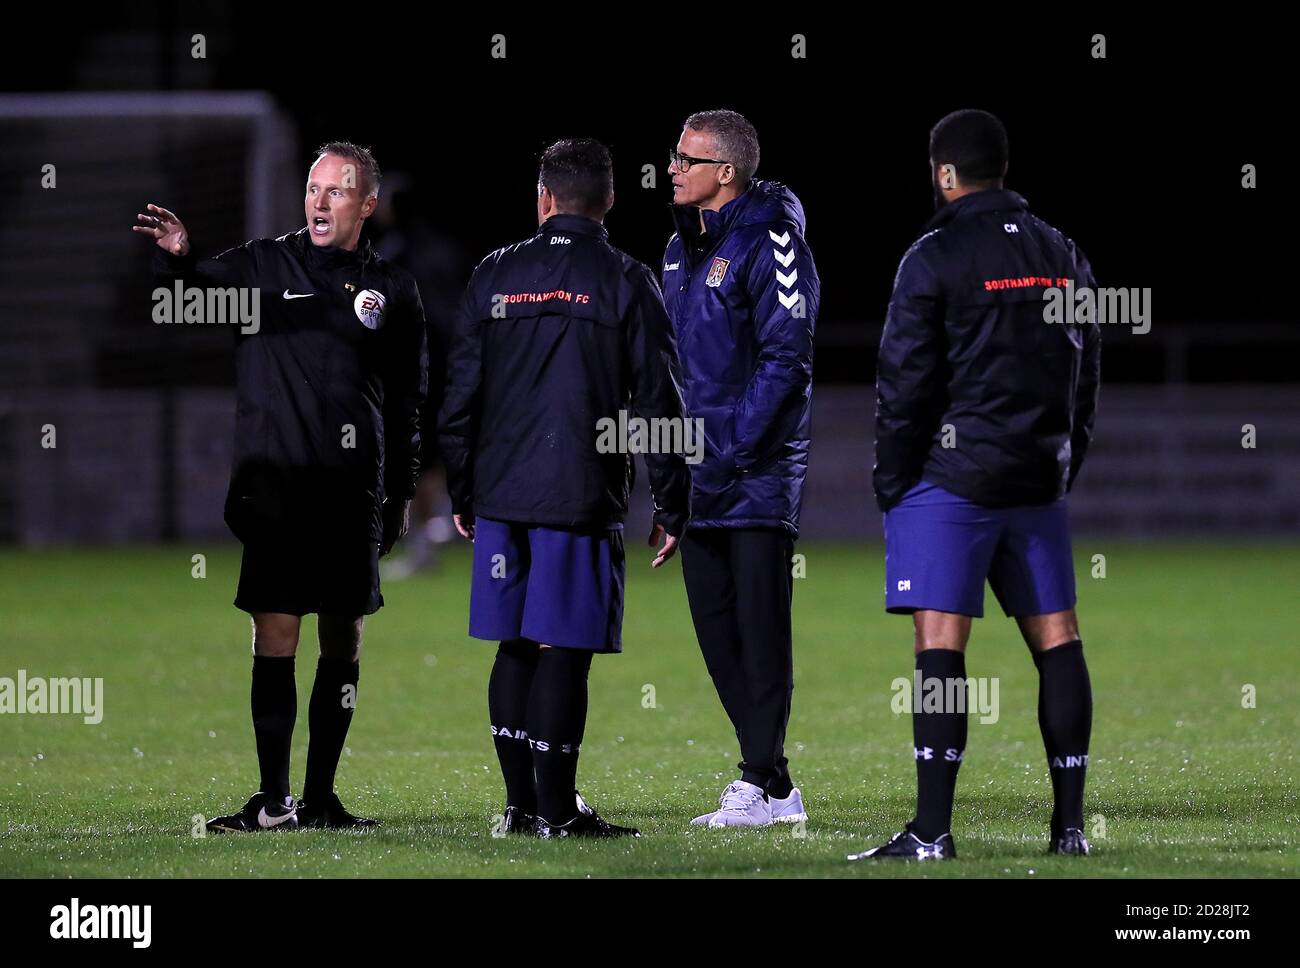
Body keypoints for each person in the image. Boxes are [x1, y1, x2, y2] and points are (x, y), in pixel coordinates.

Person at [135, 141, 428, 831]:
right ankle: (273, 799)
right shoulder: (263, 265)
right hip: (277, 492)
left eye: (337, 189)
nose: (320, 201)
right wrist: (176, 258)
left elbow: (409, 400)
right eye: (313, 188)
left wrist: (401, 492)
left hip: (352, 493)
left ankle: (322, 798)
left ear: (366, 203)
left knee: (344, 643)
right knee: (277, 637)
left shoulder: (393, 290)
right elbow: (182, 302)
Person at [851, 109, 1100, 861]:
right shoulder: (1062, 250)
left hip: (951, 479)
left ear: (945, 173)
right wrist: (1064, 459)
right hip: (1035, 477)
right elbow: (1085, 373)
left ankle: (932, 830)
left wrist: (892, 480)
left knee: (939, 645)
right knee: (1057, 638)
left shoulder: (934, 254)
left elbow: (904, 384)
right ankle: (1069, 829)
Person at [438, 138, 690, 838]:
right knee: (562, 648)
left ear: (543, 198)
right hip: (577, 495)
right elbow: (659, 401)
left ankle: (521, 809)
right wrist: (674, 500)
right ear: (608, 202)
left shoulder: (494, 274)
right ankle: (555, 813)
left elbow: (460, 392)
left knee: (514, 645)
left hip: (501, 496)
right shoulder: (626, 278)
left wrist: (462, 488)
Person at [662, 109, 819, 828]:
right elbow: (674, 372)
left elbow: (788, 357)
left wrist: (733, 452)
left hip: (754, 473)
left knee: (761, 633)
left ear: (725, 172)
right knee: (717, 636)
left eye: (687, 159)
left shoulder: (773, 239)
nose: (673, 168)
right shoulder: (678, 248)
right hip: (701, 476)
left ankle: (758, 780)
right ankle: (776, 787)